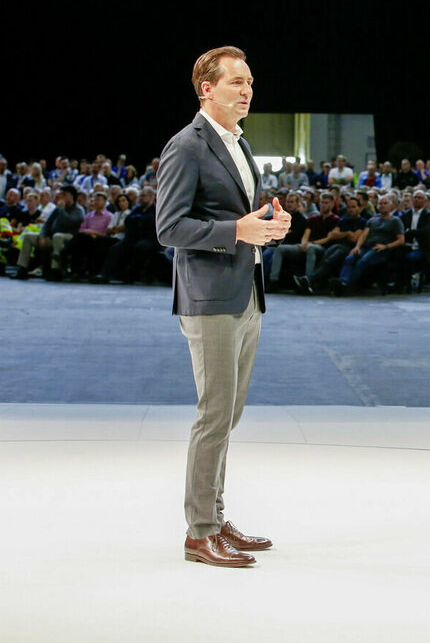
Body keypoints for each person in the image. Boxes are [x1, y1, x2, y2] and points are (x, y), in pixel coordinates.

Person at [155, 45, 292, 569]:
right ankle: (200, 533)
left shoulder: (238, 143)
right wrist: (237, 229)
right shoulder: (186, 146)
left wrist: (267, 226)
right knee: (214, 416)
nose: (247, 90)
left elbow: (238, 218)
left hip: (245, 290)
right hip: (210, 297)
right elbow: (169, 228)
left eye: (250, 82)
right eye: (236, 82)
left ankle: (214, 514)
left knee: (227, 415)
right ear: (206, 89)